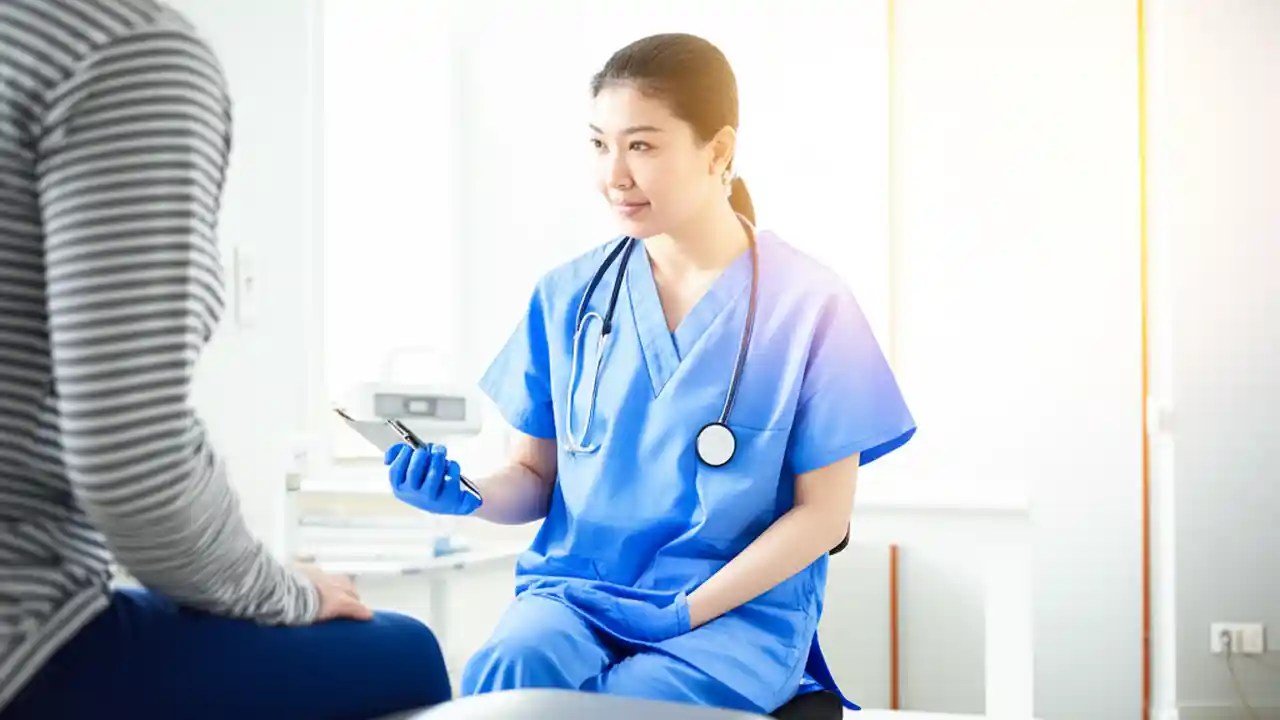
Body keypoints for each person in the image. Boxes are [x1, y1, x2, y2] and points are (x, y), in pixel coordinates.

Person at [385, 33, 915, 715]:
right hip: (577, 596)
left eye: (642, 146)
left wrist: (685, 610)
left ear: (718, 150)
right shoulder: (568, 297)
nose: (615, 175)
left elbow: (823, 517)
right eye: (600, 145)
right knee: (510, 672)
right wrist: (464, 494)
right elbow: (535, 479)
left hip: (734, 614)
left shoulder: (811, 304)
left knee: (636, 703)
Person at [0, 2, 449, 718]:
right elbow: (131, 463)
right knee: (408, 654)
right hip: (22, 642)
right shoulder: (120, 47)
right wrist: (282, 590)